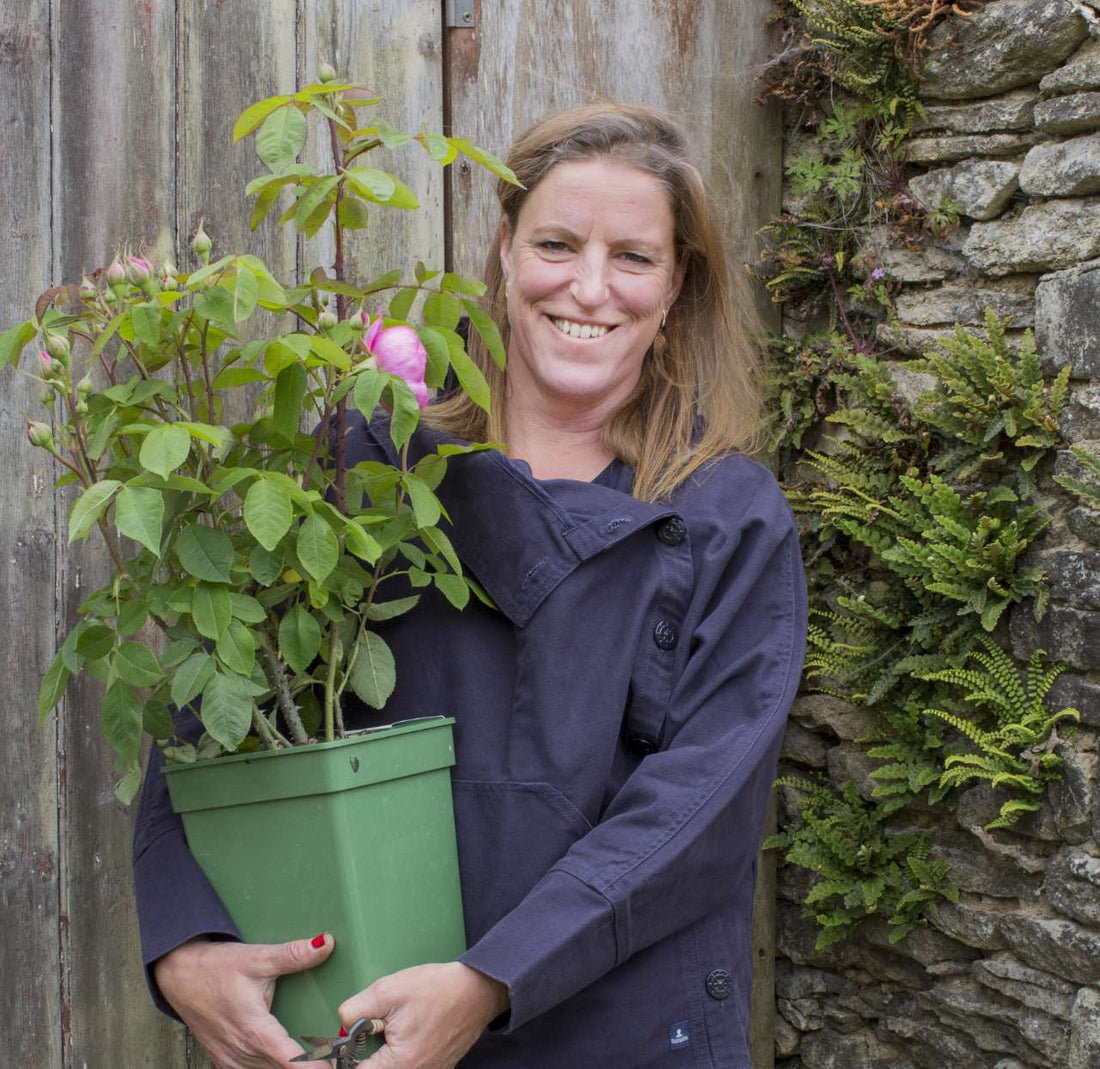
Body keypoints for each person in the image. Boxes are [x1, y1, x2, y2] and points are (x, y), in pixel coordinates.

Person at [134, 102, 808, 1069]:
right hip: (365, 1022)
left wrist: (491, 980)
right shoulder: (365, 468)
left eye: (633, 257)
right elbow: (215, 707)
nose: (588, 286)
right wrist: (183, 942)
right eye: (557, 243)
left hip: (628, 1029)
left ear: (678, 286)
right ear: (501, 249)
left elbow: (702, 810)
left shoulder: (727, 516)